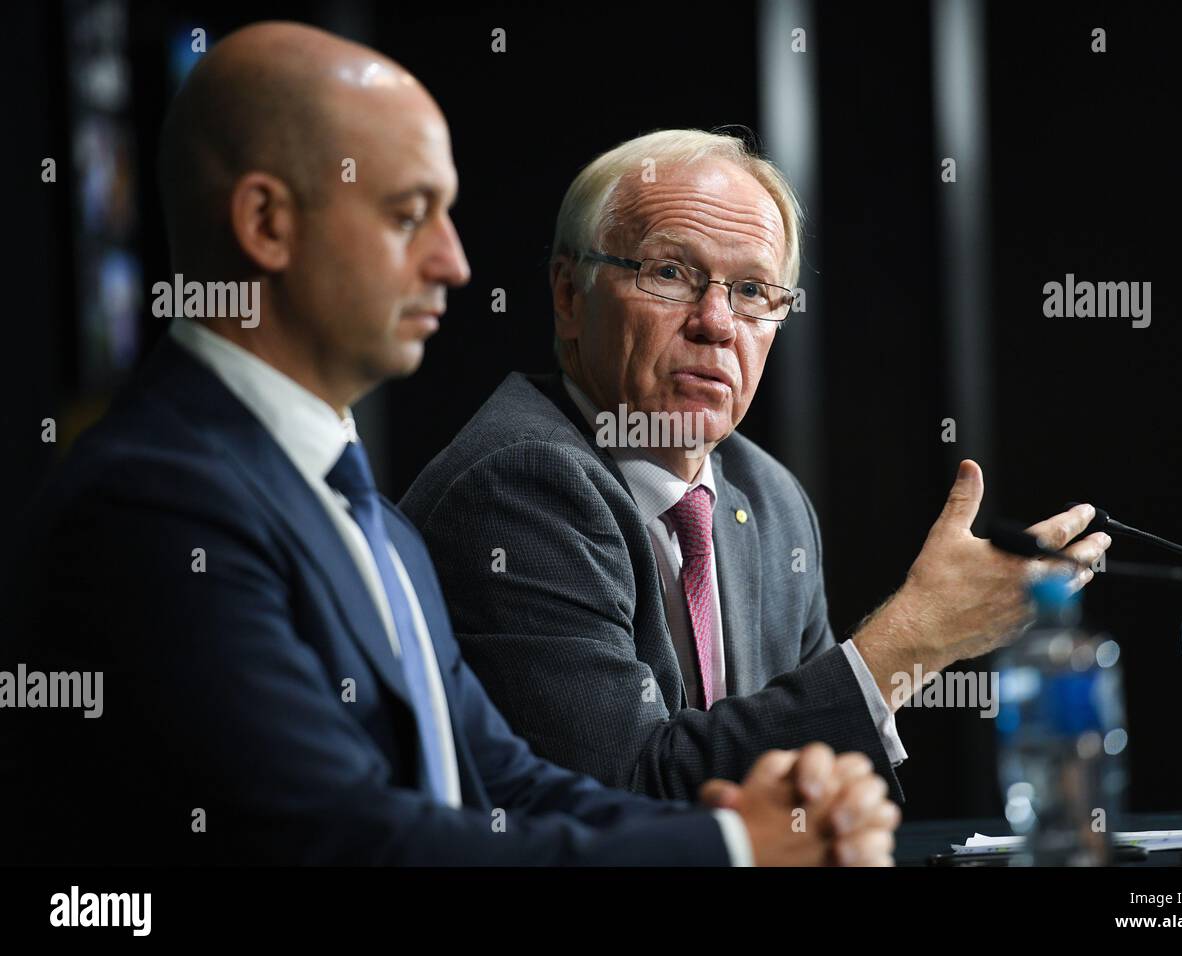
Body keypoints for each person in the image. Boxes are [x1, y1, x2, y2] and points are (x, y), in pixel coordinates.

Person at [5, 23, 898, 866]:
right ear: (267, 224)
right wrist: (733, 850)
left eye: (753, 294)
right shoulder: (159, 501)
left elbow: (501, 783)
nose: (454, 263)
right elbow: (349, 844)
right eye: (409, 214)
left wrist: (746, 824)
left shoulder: (367, 518)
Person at [399, 129, 1111, 801]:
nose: (716, 322)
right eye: (670, 272)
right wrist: (916, 638)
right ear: (568, 296)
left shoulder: (765, 496)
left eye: (751, 292)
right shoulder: (518, 484)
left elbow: (812, 778)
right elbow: (625, 793)